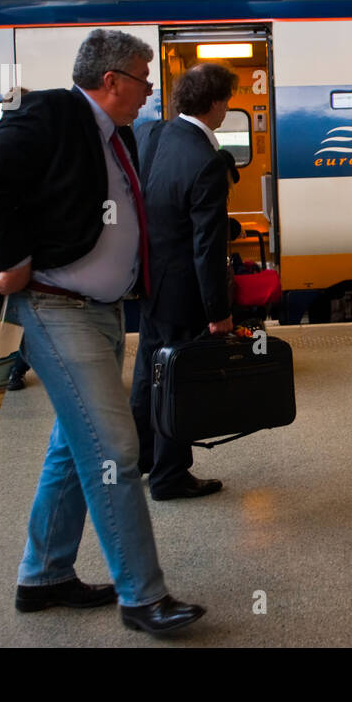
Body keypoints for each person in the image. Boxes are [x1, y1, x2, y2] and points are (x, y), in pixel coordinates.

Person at [0, 28, 205, 635]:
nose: (149, 91)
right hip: (55, 307)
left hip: (102, 313)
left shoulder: (114, 136)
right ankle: (143, 597)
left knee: (72, 444)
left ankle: (44, 576)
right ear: (111, 80)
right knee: (114, 450)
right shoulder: (55, 111)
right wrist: (11, 257)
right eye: (144, 78)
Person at [130, 63, 238, 500]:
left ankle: (141, 458)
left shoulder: (149, 135)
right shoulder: (205, 162)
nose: (227, 107)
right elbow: (206, 248)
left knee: (148, 372)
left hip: (148, 282)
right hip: (182, 293)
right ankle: (170, 476)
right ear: (215, 104)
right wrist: (219, 313)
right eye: (227, 100)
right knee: (177, 380)